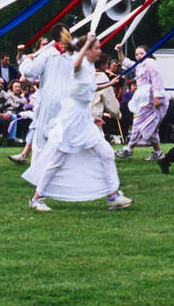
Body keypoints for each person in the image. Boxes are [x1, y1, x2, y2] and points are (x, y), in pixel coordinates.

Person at [22, 33, 132, 212]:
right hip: (71, 119)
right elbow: (74, 66)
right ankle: (37, 198)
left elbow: (82, 96)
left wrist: (90, 116)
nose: (100, 51)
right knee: (57, 160)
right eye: (96, 48)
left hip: (82, 117)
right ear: (87, 49)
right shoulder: (79, 62)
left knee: (106, 153)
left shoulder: (89, 68)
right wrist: (87, 42)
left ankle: (113, 196)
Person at [9, 27, 74, 167]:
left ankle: (39, 169)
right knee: (64, 134)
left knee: (42, 135)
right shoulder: (73, 54)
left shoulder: (48, 53)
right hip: (68, 100)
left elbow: (29, 71)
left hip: (49, 100)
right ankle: (62, 166)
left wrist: (28, 60)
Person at [115, 44, 168, 161]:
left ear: (147, 53)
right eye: (136, 54)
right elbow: (124, 61)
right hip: (143, 97)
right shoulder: (139, 66)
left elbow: (156, 79)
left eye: (141, 53)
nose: (138, 56)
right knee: (148, 124)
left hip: (149, 97)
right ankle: (158, 152)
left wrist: (157, 97)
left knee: (139, 121)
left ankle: (129, 148)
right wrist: (120, 50)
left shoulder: (150, 63)